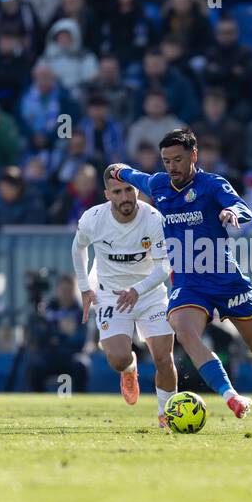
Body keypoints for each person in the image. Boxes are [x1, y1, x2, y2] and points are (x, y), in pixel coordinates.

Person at [106, 127, 252, 431]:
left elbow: (241, 206)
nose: (172, 167)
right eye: (166, 160)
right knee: (184, 331)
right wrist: (118, 170)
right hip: (188, 283)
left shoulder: (211, 185)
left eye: (178, 160)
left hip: (226, 281)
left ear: (193, 156)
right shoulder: (159, 185)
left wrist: (232, 214)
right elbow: (134, 176)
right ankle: (231, 396)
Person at [72, 171, 178, 427]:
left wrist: (137, 291)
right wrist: (86, 287)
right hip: (111, 295)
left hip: (149, 294)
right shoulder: (93, 219)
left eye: (129, 190)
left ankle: (166, 414)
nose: (124, 197)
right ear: (107, 195)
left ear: (137, 191)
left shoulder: (153, 218)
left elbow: (165, 267)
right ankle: (130, 369)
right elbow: (78, 248)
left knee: (164, 358)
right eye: (117, 192)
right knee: (118, 359)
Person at [26, 275, 90, 393]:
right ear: (57, 291)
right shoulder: (45, 310)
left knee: (81, 365)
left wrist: (58, 338)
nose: (66, 294)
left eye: (69, 290)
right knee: (35, 365)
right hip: (49, 355)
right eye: (63, 290)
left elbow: (80, 340)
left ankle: (81, 400)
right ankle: (39, 400)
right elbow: (37, 335)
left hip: (71, 356)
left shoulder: (80, 312)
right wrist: (62, 333)